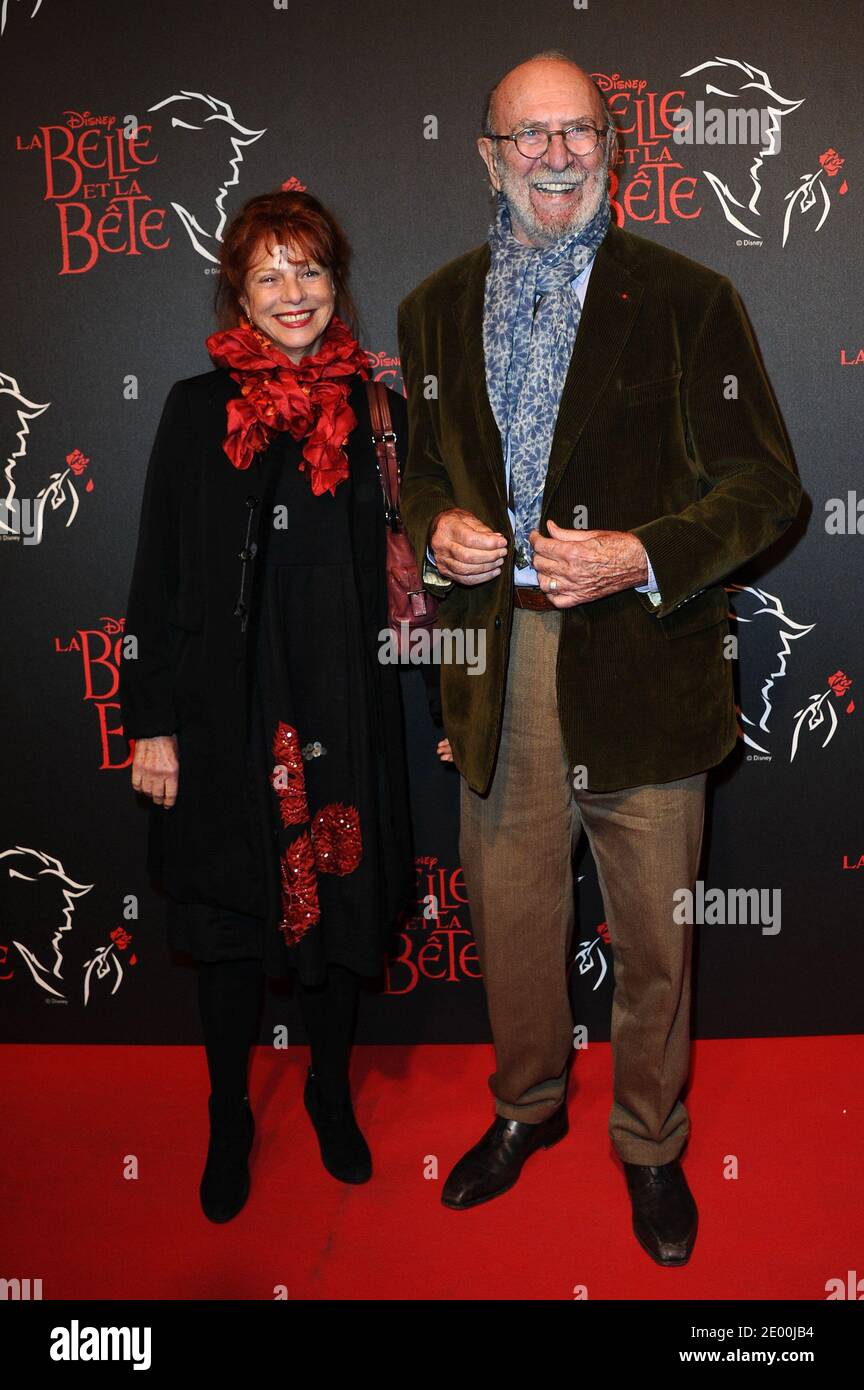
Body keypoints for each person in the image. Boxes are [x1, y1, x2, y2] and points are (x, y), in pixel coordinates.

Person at [397, 51, 802, 1265]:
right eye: (529, 135)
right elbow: (420, 474)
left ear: (611, 149)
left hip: (646, 659)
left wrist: (640, 553)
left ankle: (652, 1140)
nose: (556, 154)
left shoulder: (688, 299)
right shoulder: (431, 309)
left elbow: (766, 488)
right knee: (513, 919)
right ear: (490, 158)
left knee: (656, 936)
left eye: (578, 130)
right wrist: (436, 527)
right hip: (502, 661)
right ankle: (526, 1106)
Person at [119, 188, 429, 1223]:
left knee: (340, 904)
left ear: (337, 281)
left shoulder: (379, 410)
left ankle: (330, 1093)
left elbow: (424, 566)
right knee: (228, 921)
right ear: (239, 294)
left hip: (345, 698)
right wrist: (151, 722)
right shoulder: (194, 408)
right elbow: (159, 573)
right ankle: (227, 1115)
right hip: (230, 711)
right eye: (269, 275)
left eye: (311, 270)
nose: (294, 293)